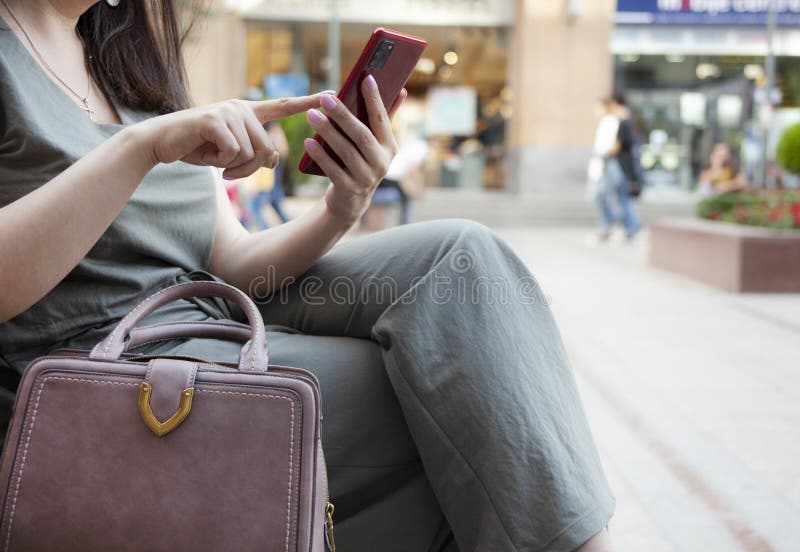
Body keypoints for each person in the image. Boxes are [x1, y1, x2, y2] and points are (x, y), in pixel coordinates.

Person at [0, 2, 616, 551]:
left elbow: (234, 261)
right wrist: (140, 149)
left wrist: (341, 206)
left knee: (462, 260)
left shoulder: (126, 59)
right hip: (97, 363)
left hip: (214, 315)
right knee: (437, 395)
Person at [607, 93, 641, 238]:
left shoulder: (623, 122)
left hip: (623, 166)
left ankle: (632, 225)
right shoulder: (631, 120)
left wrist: (607, 153)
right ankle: (631, 225)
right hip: (628, 165)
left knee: (623, 198)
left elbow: (618, 145)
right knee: (623, 197)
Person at [588, 98, 621, 239]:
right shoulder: (604, 123)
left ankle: (609, 226)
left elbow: (614, 144)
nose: (596, 111)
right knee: (599, 196)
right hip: (601, 161)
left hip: (606, 161)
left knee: (601, 195)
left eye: (598, 108)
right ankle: (606, 226)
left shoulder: (611, 122)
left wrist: (604, 158)